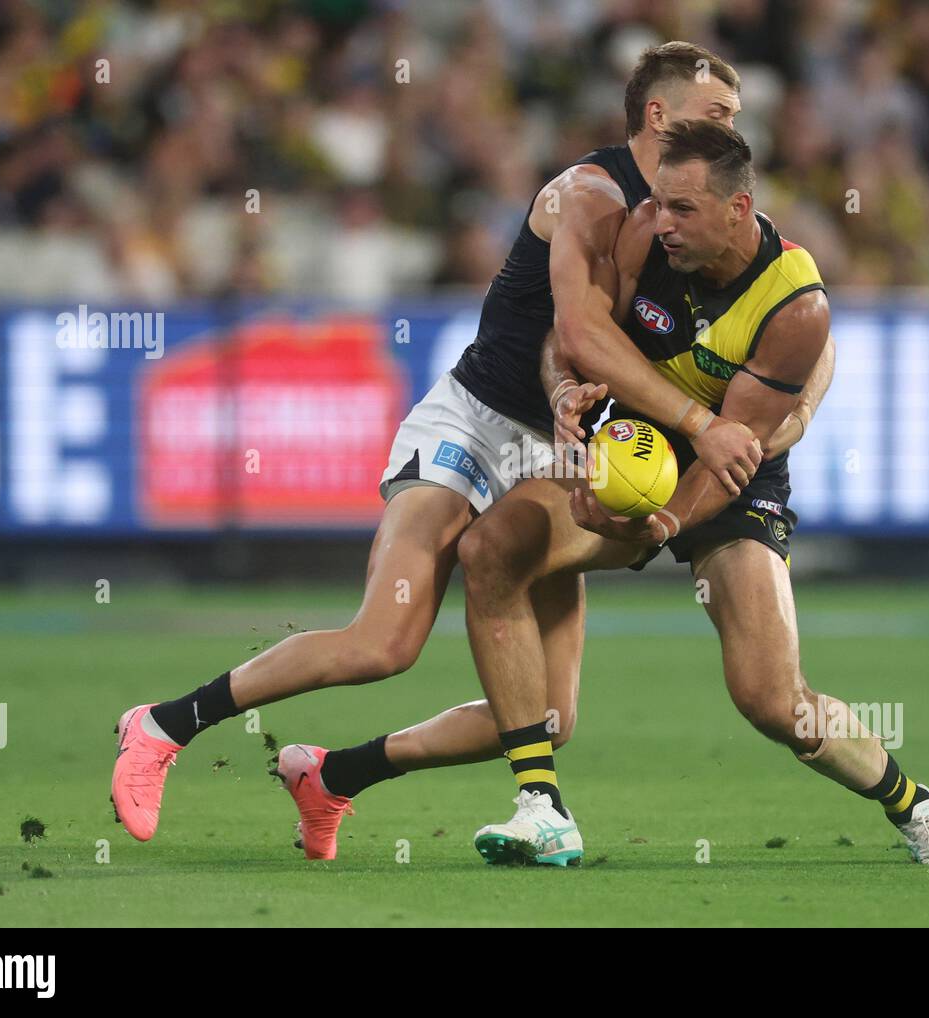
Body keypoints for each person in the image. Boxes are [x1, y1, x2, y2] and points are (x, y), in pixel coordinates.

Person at [110, 42, 767, 849]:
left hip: (554, 458)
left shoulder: (684, 217)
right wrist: (698, 425)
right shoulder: (589, 195)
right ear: (660, 116)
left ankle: (333, 776)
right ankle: (166, 725)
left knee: (549, 715)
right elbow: (582, 333)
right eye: (720, 115)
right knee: (384, 639)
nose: (737, 130)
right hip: (474, 426)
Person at [460, 120, 929, 866]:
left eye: (683, 210)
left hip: (730, 482)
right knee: (492, 547)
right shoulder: (641, 233)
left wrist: (663, 523)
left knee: (773, 701)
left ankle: (913, 803)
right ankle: (542, 806)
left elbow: (733, 452)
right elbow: (568, 336)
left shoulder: (794, 306)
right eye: (660, 203)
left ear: (737, 210)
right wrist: (563, 390)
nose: (661, 221)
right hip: (637, 451)